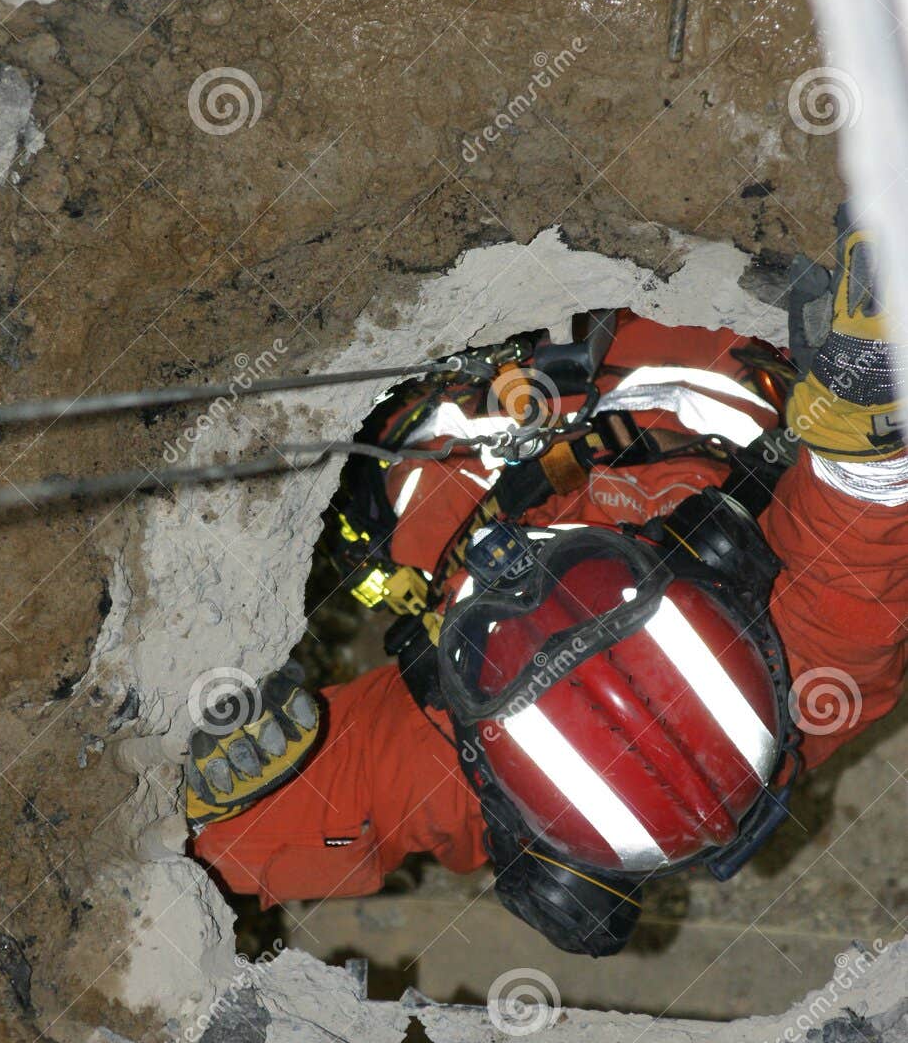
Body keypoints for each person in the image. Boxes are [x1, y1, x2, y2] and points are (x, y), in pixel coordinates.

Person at [186, 210, 907, 956]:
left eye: (494, 630)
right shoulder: (804, 668)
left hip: (418, 411)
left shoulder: (469, 761)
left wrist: (209, 801)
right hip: (676, 336)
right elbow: (862, 532)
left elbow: (254, 830)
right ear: (716, 570)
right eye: (572, 579)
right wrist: (865, 401)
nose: (516, 576)